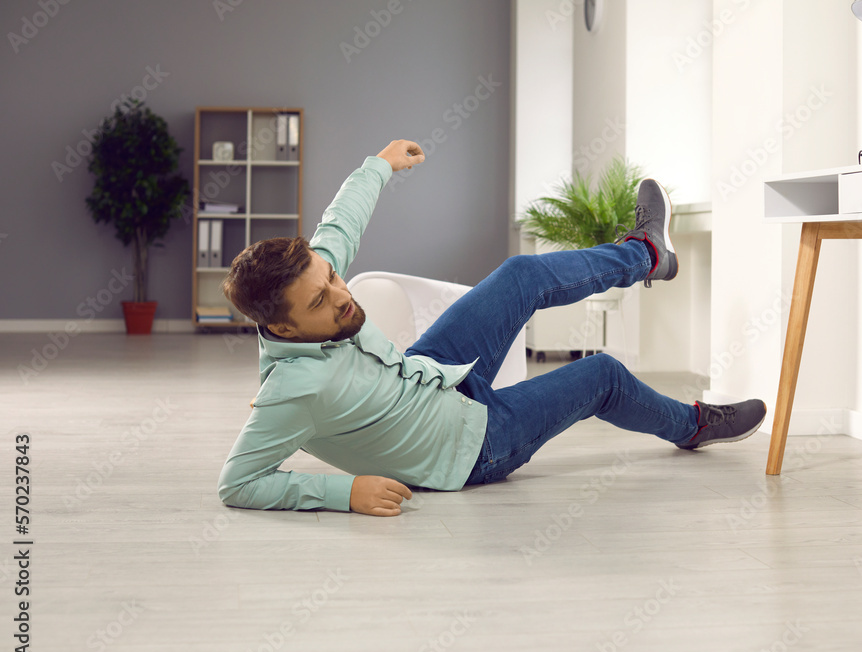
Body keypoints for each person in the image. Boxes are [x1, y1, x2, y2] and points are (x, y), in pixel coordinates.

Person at [217, 139, 766, 517]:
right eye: (320, 301)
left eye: (333, 277)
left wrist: (379, 164)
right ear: (285, 330)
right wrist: (345, 494)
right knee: (601, 375)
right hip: (473, 444)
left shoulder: (314, 283)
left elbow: (339, 222)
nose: (342, 295)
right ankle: (694, 425)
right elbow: (238, 483)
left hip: (432, 375)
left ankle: (648, 254)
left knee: (520, 274)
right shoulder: (291, 391)